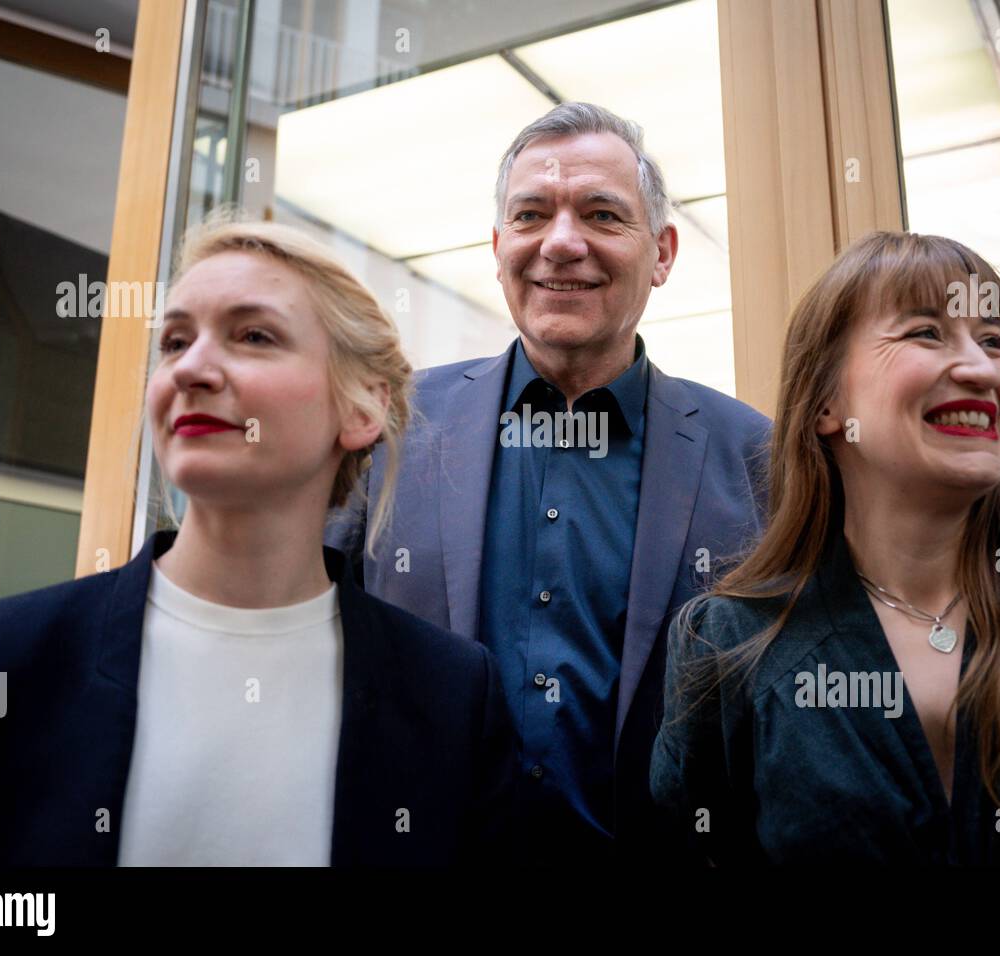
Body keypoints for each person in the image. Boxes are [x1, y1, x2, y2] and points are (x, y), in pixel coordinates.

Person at [0, 216, 519, 866]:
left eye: (253, 335)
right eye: (174, 341)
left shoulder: (451, 697)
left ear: (363, 408)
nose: (192, 368)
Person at [650, 231, 1000, 864]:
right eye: (926, 333)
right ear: (827, 403)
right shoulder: (728, 644)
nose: (982, 368)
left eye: (993, 341)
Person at [328, 102, 771, 863]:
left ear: (661, 253)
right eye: (532, 216)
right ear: (499, 246)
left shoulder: (755, 457)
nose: (562, 244)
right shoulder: (388, 429)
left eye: (602, 215)